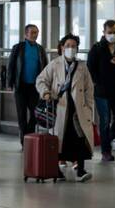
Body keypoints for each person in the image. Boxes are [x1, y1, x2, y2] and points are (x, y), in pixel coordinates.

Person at [36, 34, 96, 182]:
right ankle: (56, 170)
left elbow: (89, 88)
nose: (71, 48)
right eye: (68, 45)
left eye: (74, 46)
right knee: (59, 139)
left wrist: (89, 107)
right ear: (62, 47)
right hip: (60, 108)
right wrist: (45, 92)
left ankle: (80, 171)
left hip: (78, 109)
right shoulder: (54, 64)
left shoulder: (82, 66)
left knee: (80, 138)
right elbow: (41, 80)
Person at [87, 20, 115, 162]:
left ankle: (105, 140)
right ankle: (106, 151)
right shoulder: (97, 48)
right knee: (105, 120)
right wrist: (96, 83)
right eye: (110, 32)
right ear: (104, 32)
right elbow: (90, 67)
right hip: (102, 91)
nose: (113, 35)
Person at [5, 24, 47, 147]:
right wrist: (9, 83)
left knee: (35, 114)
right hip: (20, 86)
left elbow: (45, 67)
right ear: (26, 34)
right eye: (33, 32)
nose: (35, 35)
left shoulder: (40, 49)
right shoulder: (18, 48)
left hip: (34, 87)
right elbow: (11, 66)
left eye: (37, 32)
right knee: (21, 114)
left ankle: (29, 135)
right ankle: (25, 142)